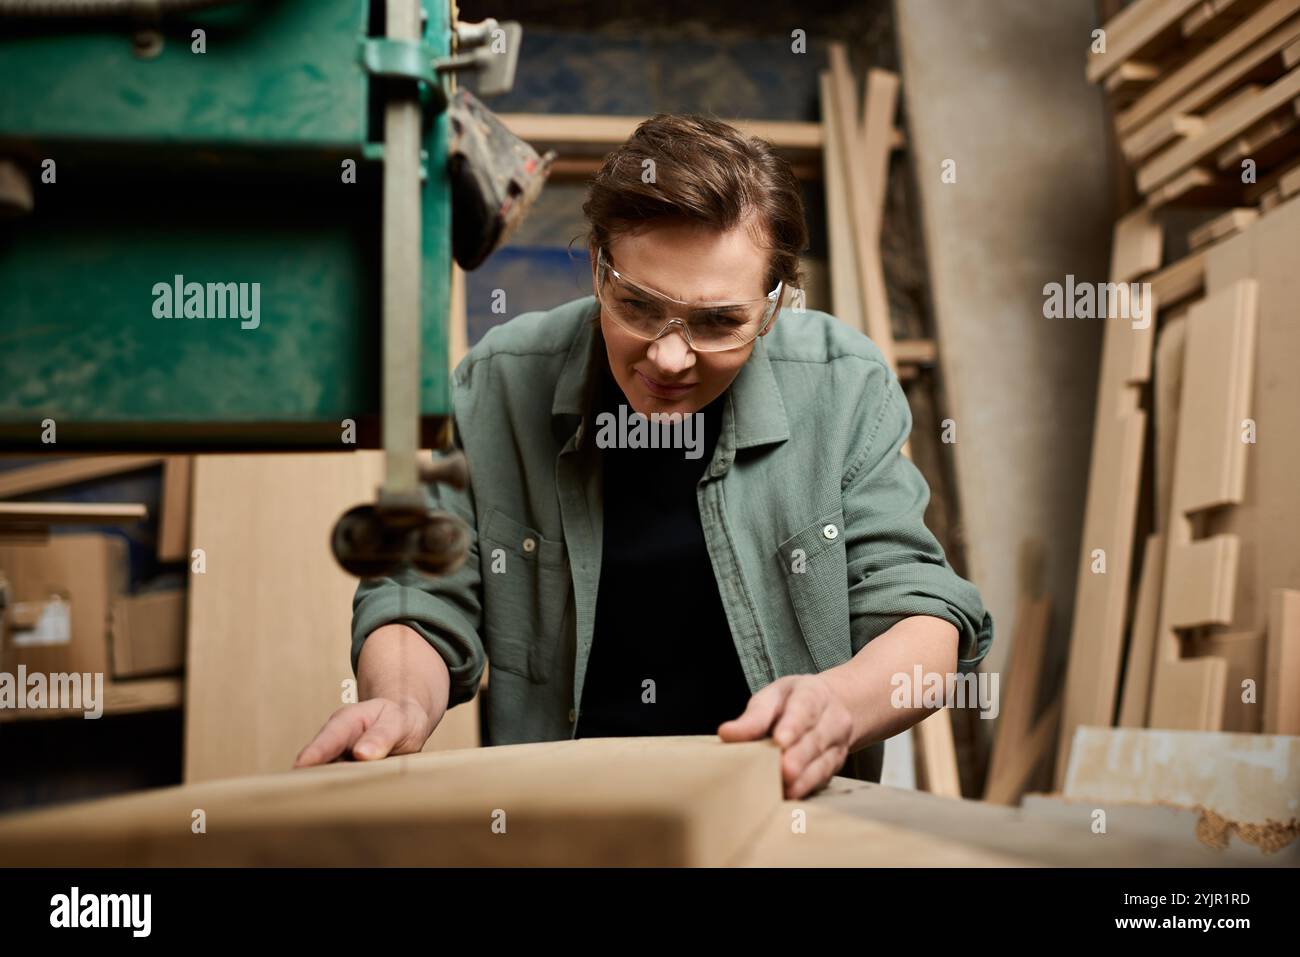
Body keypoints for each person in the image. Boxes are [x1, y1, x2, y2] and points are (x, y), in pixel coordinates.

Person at [297, 113, 993, 798]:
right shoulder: (501, 383)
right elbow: (418, 592)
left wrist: (838, 705)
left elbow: (921, 609)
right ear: (600, 264)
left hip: (778, 814)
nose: (668, 357)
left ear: (775, 306)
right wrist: (401, 702)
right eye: (636, 305)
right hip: (565, 817)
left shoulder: (843, 387)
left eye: (719, 321)